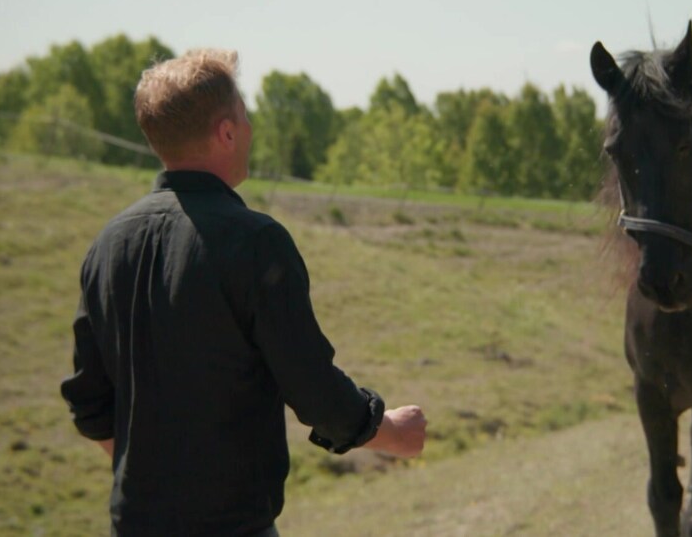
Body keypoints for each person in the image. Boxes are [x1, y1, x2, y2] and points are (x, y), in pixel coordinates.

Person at [60, 49, 426, 536]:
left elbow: (91, 403)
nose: (251, 129)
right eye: (245, 116)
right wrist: (395, 432)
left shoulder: (107, 245)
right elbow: (314, 391)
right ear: (226, 133)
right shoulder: (255, 242)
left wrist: (157, 482)